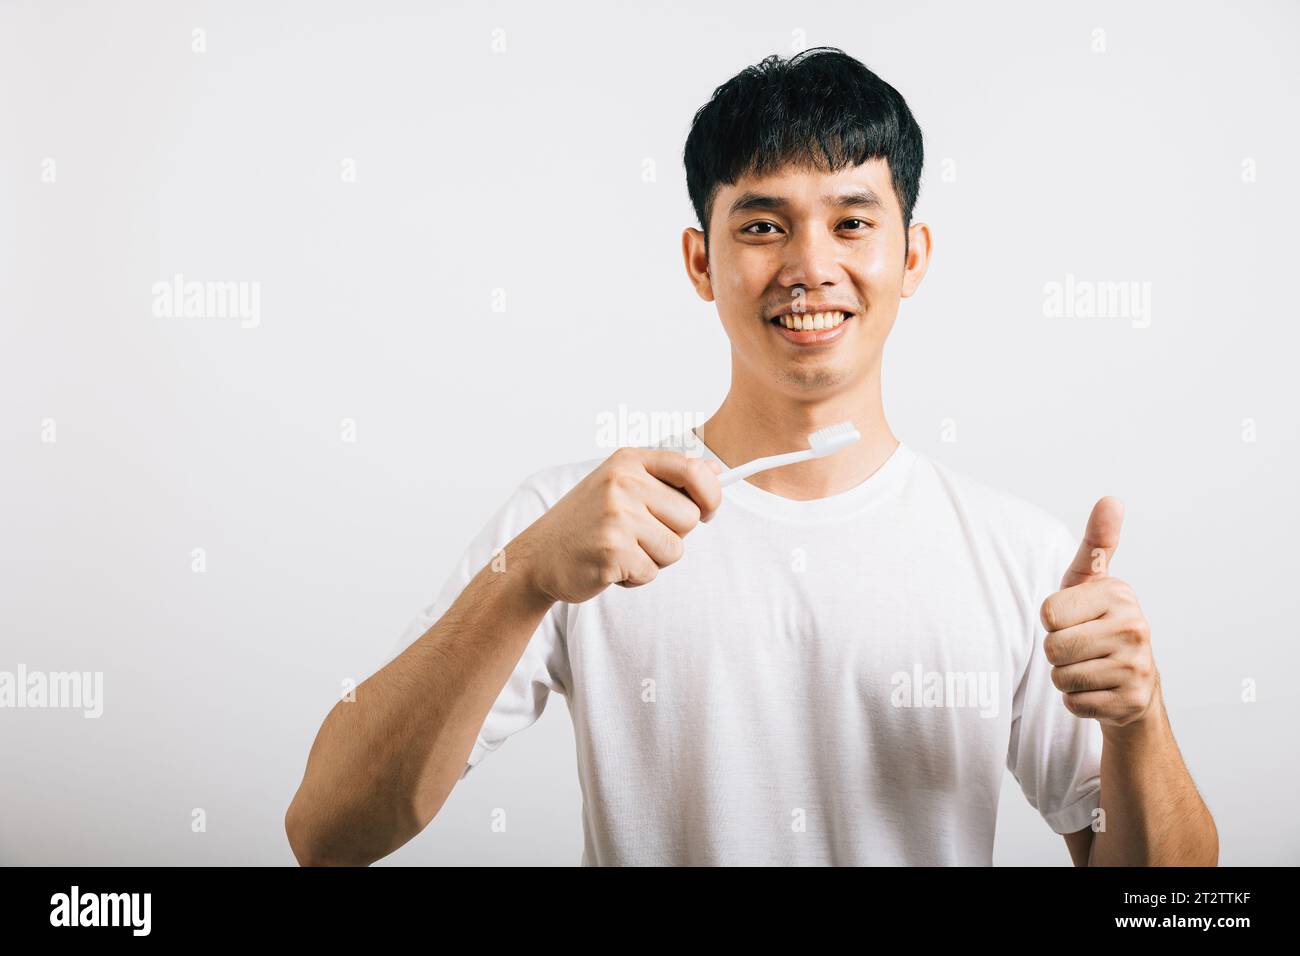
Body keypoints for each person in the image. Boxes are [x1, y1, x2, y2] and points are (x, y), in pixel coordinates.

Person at [285, 47, 1217, 867]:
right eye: (763, 225)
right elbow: (328, 834)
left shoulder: (1017, 556)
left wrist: (1139, 724)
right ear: (700, 262)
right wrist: (522, 576)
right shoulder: (576, 521)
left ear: (914, 255)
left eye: (853, 221)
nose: (811, 265)